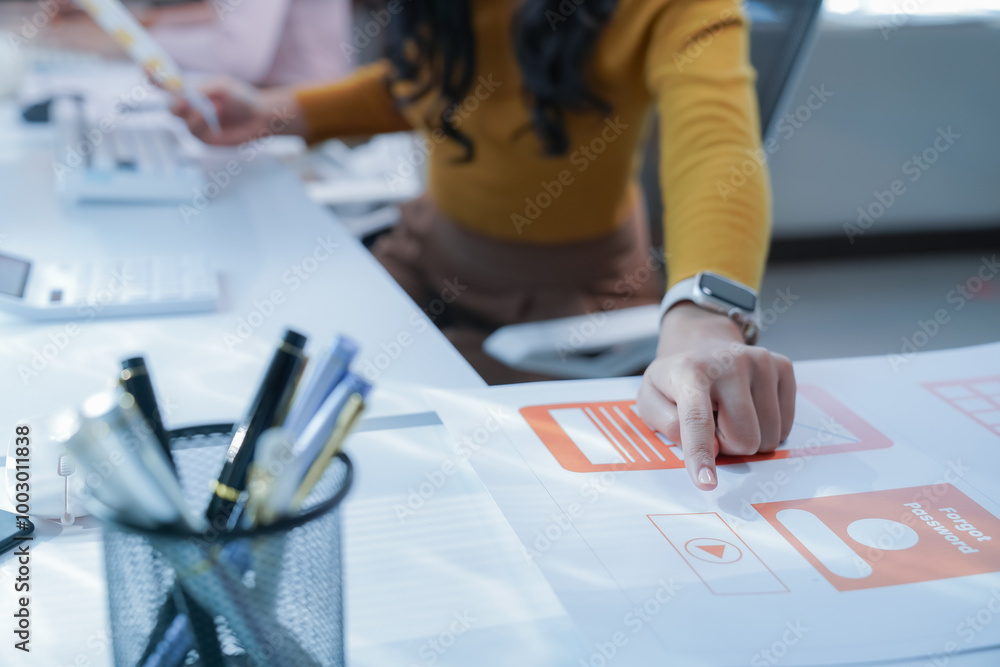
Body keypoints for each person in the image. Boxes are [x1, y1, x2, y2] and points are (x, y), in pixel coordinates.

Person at [170, 0, 797, 491]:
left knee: (424, 469)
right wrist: (277, 111)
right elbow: (429, 82)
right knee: (277, 402)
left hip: (559, 307)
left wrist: (704, 318)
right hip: (422, 256)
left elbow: (717, 148)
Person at [48, 0, 352, 86]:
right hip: (276, 105)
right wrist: (133, 20)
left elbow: (240, 58)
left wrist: (128, 44)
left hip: (304, 123)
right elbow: (222, 13)